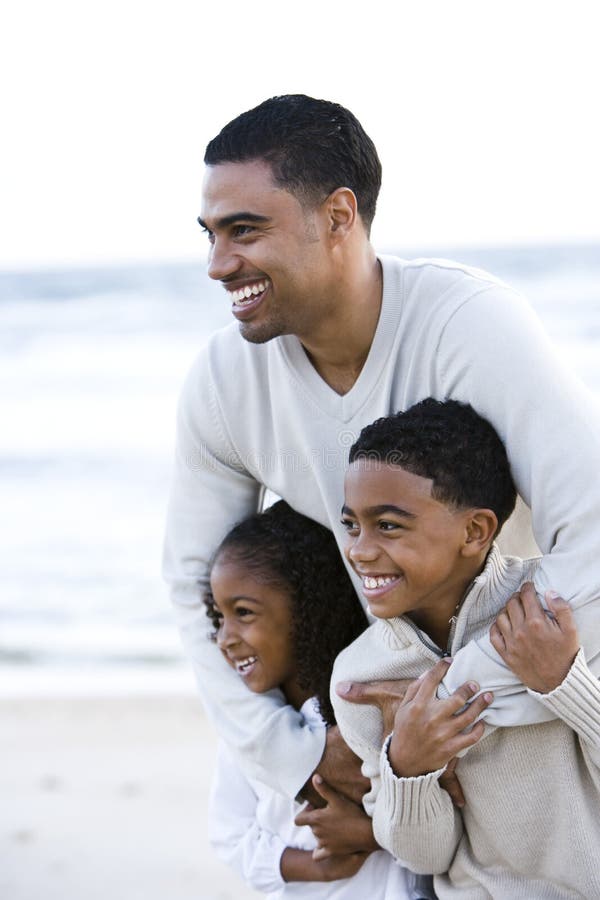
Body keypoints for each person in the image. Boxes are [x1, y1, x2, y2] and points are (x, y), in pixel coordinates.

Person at [163, 93, 600, 806]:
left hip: (544, 721)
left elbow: (593, 535)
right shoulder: (223, 382)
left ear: (338, 216)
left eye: (244, 230)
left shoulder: (470, 327)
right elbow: (193, 585)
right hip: (391, 739)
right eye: (209, 233)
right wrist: (297, 756)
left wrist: (443, 707)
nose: (217, 263)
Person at [331, 399, 600, 897]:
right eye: (352, 524)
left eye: (388, 525)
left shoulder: (557, 613)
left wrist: (566, 684)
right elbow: (427, 856)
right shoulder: (362, 676)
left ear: (475, 531)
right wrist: (408, 766)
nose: (360, 550)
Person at [205, 501, 423, 899]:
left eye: (243, 613)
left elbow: (443, 829)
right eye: (218, 616)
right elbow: (229, 834)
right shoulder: (249, 730)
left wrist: (371, 835)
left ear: (307, 608)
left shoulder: (366, 709)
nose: (225, 638)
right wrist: (315, 866)